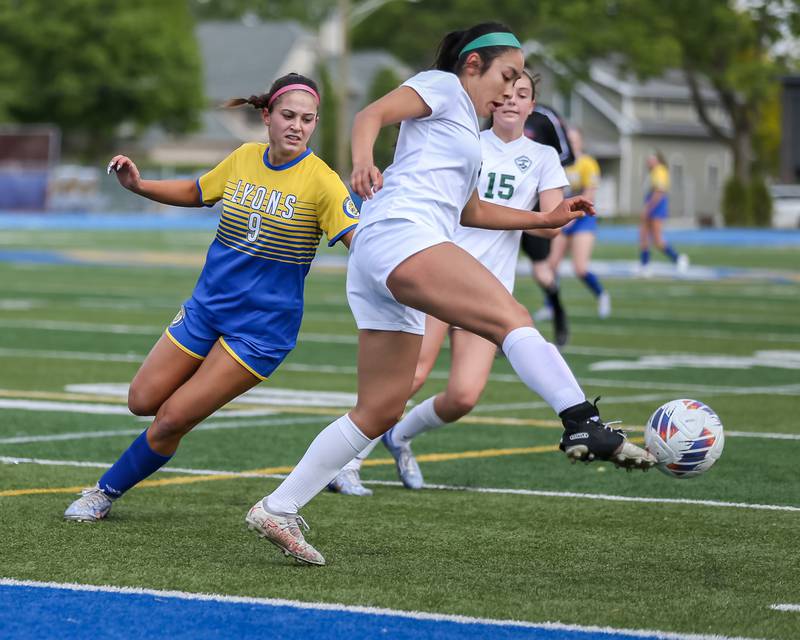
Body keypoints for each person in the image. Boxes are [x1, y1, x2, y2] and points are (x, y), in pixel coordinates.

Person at [244, 23, 655, 567]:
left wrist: (543, 217)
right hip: (399, 234)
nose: (512, 90)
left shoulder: (468, 128)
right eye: (506, 75)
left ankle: (279, 506)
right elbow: (370, 115)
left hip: (385, 253)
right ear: (472, 66)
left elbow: (470, 211)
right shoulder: (441, 87)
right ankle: (581, 419)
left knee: (380, 407)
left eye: (519, 80)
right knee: (511, 316)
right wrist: (363, 160)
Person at [63, 73, 359, 522]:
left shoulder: (324, 182)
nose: (297, 126)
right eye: (287, 116)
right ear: (266, 116)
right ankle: (178, 406)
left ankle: (103, 493)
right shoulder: (242, 157)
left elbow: (361, 241)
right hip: (206, 310)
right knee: (141, 401)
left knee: (171, 418)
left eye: (307, 119)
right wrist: (139, 187)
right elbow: (199, 191)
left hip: (260, 332)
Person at [328, 69, 570, 494]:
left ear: (533, 106)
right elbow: (461, 206)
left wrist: (552, 218)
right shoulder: (467, 139)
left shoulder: (544, 158)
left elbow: (548, 229)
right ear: (493, 98)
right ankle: (348, 462)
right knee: (412, 375)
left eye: (523, 94)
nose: (512, 99)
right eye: (507, 91)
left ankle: (399, 437)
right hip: (437, 270)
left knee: (463, 397)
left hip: (490, 289)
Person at [520, 105, 574, 347]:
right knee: (488, 268)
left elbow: (566, 155)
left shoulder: (545, 117)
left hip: (532, 209)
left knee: (541, 271)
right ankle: (493, 329)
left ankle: (559, 314)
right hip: (495, 208)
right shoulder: (494, 110)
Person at [548, 128, 611, 318]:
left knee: (580, 268)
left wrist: (570, 218)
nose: (571, 142)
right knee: (551, 265)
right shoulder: (558, 163)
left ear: (581, 142)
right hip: (563, 217)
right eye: (569, 139)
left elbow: (589, 194)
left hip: (582, 218)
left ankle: (602, 295)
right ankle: (552, 307)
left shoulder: (587, 163)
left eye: (575, 140)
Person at [638, 152, 689, 276]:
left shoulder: (660, 171)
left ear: (658, 160)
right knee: (643, 236)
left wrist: (648, 208)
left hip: (657, 206)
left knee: (657, 239)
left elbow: (659, 192)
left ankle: (678, 259)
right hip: (652, 203)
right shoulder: (654, 172)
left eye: (652, 159)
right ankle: (645, 265)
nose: (649, 162)